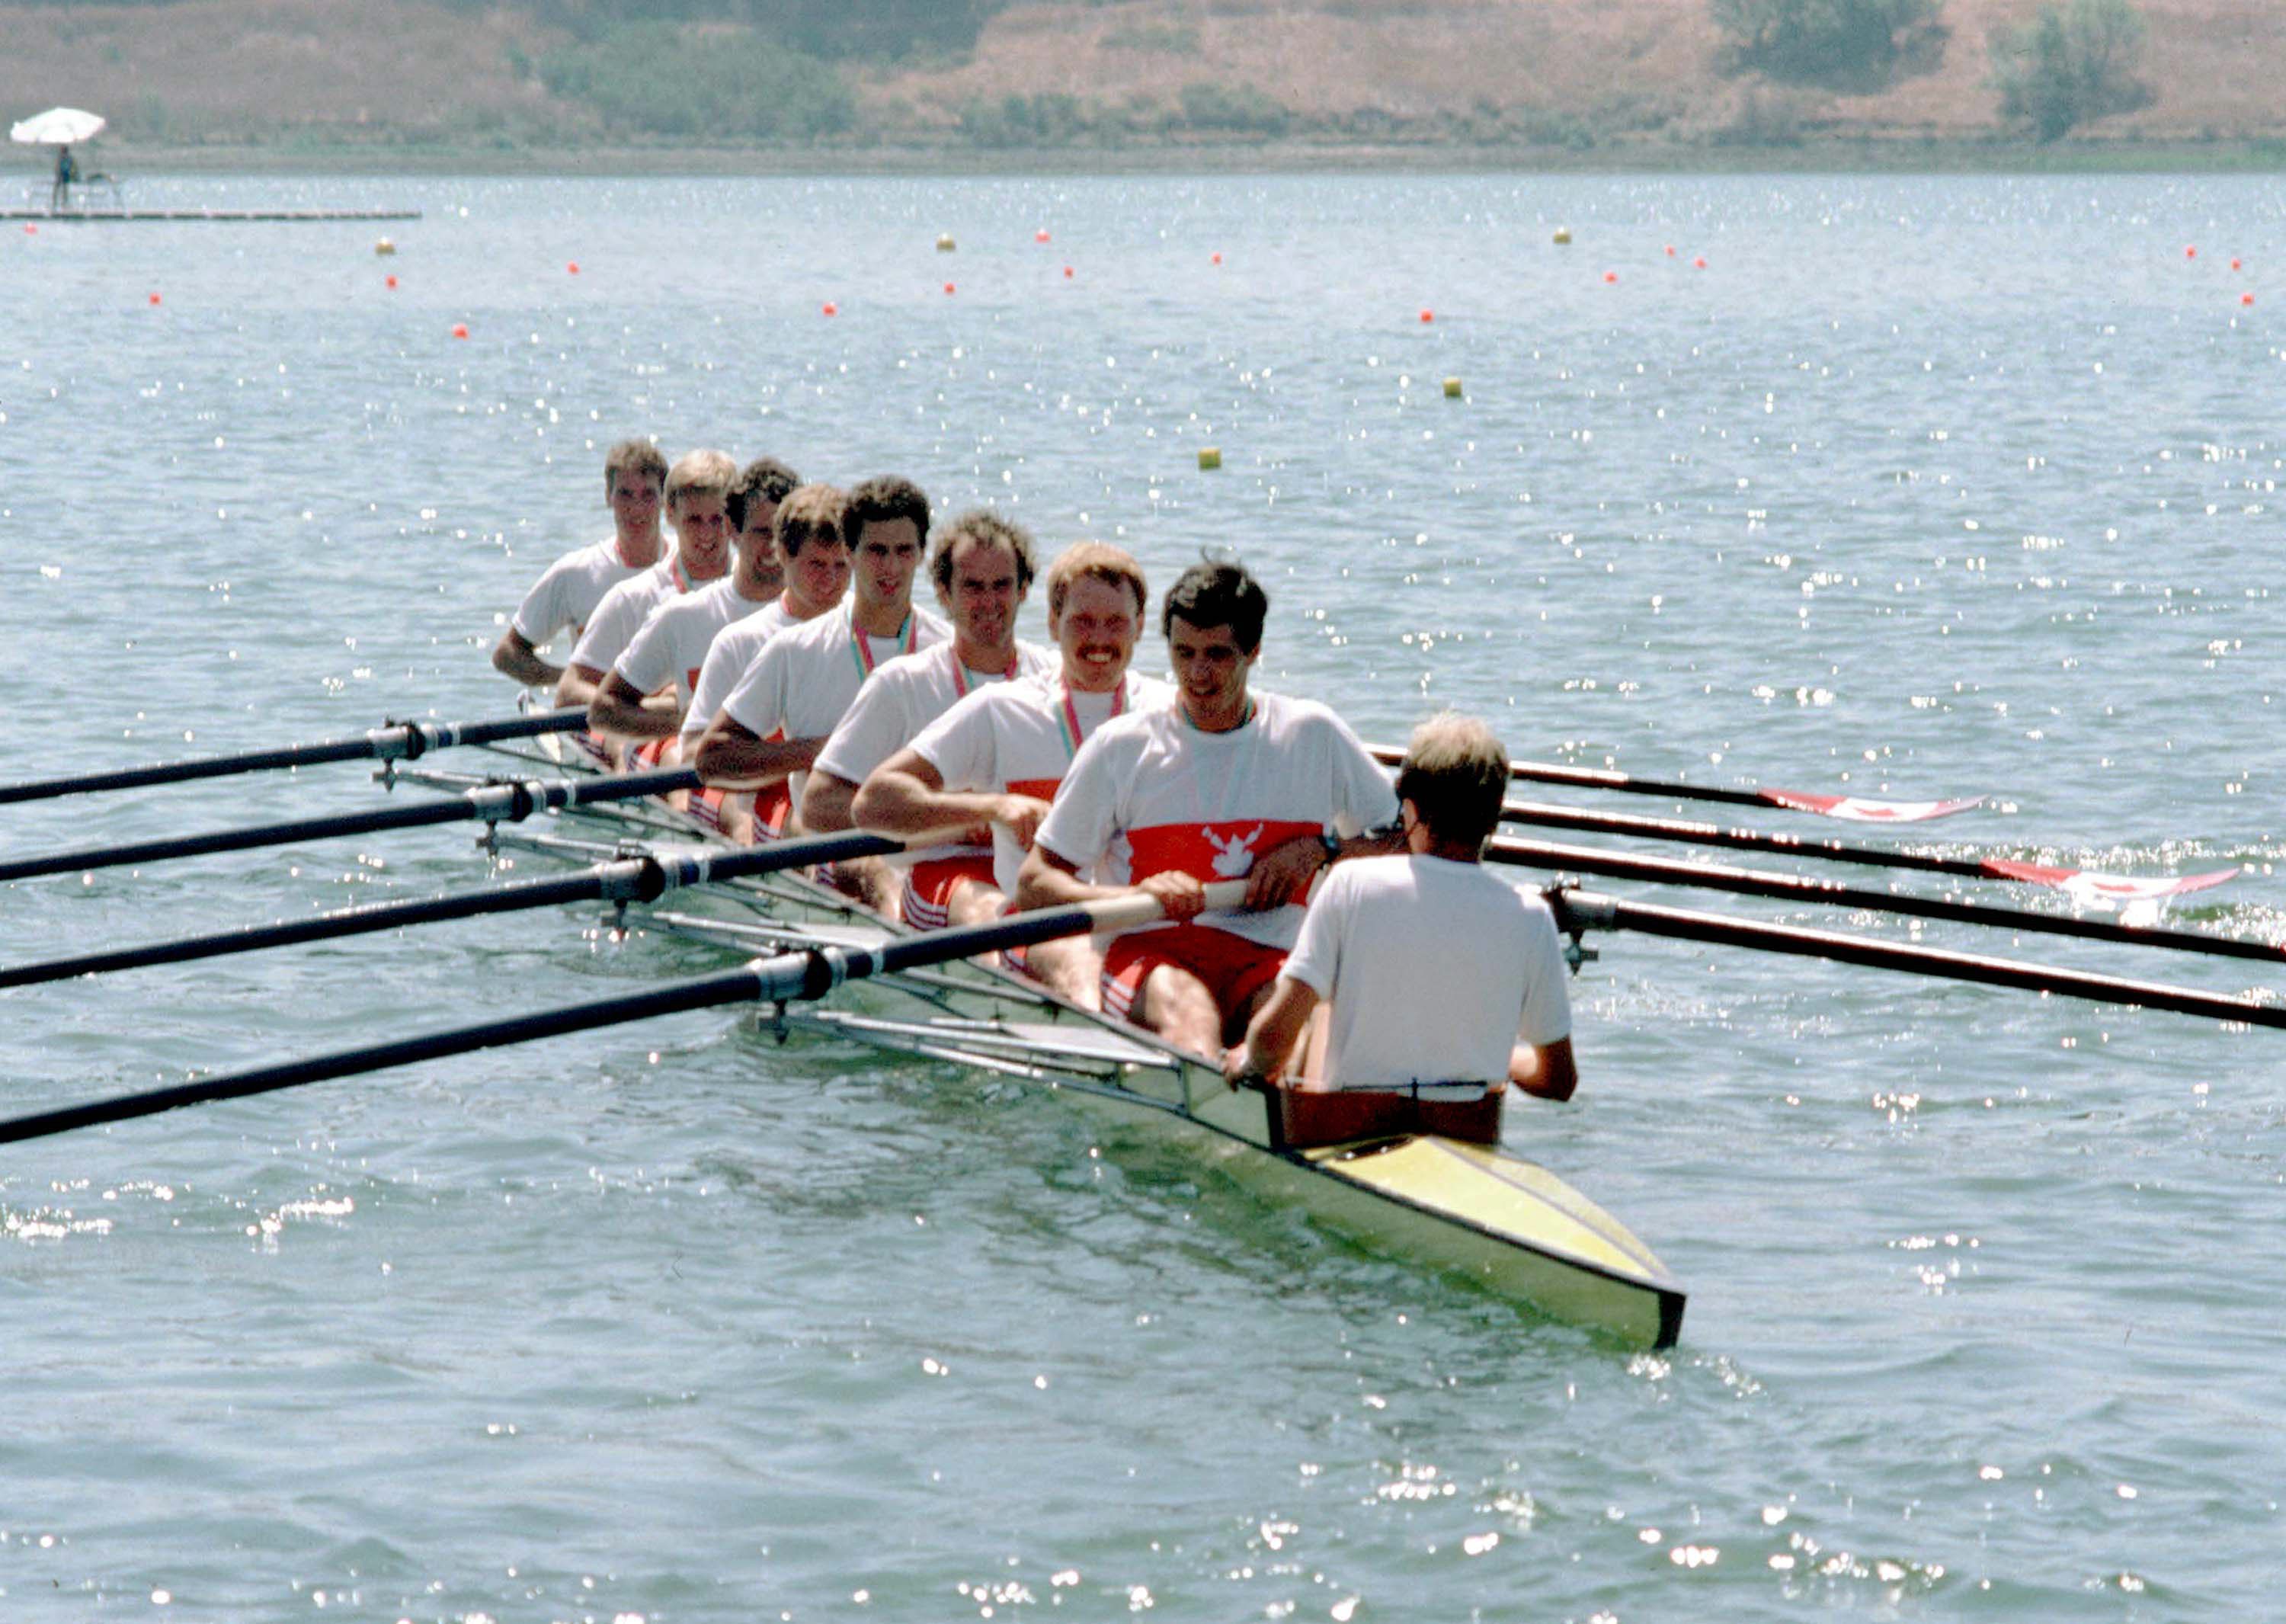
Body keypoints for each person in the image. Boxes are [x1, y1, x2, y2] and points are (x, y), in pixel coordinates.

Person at [1017, 558, 1401, 1054]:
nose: (1197, 674)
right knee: (1192, 1015)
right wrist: (1135, 899)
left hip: (1270, 956)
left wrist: (1322, 849)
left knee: (1290, 1034)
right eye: (1184, 653)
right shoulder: (1122, 747)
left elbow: (1404, 841)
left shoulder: (1311, 735)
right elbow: (1033, 884)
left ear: (1254, 650)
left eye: (1217, 655)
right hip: (1149, 955)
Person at [1222, 713, 1577, 1146]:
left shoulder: (1352, 884)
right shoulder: (1531, 916)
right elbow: (1558, 1081)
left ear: (1409, 811)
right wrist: (1498, 1054)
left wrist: (1248, 1060)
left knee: (1319, 1013)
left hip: (1350, 1130)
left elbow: (1274, 1040)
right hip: (1466, 1131)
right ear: (1493, 819)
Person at [854, 542, 1167, 998]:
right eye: (1082, 621)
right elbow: (874, 802)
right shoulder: (1001, 710)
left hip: (1138, 922)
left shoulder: (1168, 714)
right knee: (1078, 959)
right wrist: (996, 807)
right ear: (1052, 624)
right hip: (1034, 926)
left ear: (1139, 627)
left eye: (1115, 623)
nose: (1099, 639)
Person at [802, 509, 1055, 915]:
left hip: (1034, 868)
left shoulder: (1052, 677)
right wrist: (961, 819)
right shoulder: (901, 683)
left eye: (1002, 586)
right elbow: (819, 806)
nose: (989, 602)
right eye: (972, 586)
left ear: (1024, 590)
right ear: (943, 592)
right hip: (940, 871)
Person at [694, 476, 946, 831]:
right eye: (876, 551)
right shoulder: (794, 649)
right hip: (831, 841)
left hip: (926, 835)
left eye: (904, 551)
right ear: (850, 552)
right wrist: (832, 750)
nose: (891, 567)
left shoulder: (948, 649)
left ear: (921, 554)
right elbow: (712, 759)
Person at [586, 456, 800, 755]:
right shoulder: (682, 616)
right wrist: (682, 721)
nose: (774, 548)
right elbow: (604, 711)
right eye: (763, 533)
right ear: (732, 530)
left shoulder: (830, 616)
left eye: (784, 534)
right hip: (716, 773)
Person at [677, 483, 851, 839]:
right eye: (817, 564)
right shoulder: (741, 642)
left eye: (842, 565)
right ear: (783, 555)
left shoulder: (871, 635)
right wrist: (813, 753)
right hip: (765, 800)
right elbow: (695, 757)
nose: (831, 580)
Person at [552, 448, 736, 730]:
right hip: (658, 739)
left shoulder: (760, 590)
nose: (707, 534)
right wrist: (669, 711)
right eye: (694, 520)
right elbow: (569, 693)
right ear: (671, 515)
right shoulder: (632, 599)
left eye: (718, 519)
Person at [490, 440, 668, 690]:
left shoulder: (690, 566)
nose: (636, 508)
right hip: (596, 718)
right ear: (608, 497)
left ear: (664, 500)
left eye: (648, 495)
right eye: (625, 494)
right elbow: (507, 655)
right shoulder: (575, 573)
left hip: (669, 717)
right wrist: (571, 681)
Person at [52, 145, 77, 212]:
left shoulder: (68, 158)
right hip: (61, 174)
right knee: (57, 189)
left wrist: (72, 174)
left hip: (65, 174)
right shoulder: (61, 158)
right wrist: (57, 173)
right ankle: (55, 203)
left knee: (64, 190)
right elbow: (57, 167)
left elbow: (72, 166)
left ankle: (63, 203)